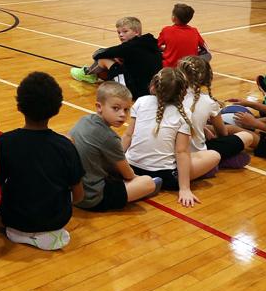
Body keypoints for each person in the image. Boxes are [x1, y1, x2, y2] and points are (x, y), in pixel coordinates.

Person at [0, 72, 83, 250]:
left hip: (14, 220)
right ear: (57, 107)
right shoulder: (65, 146)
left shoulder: (5, 142)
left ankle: (23, 233)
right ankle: (44, 234)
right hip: (55, 221)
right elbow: (79, 195)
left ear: (19, 106)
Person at [123, 68, 220, 206]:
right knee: (214, 156)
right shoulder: (184, 113)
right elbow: (181, 152)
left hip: (131, 167)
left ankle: (142, 182)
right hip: (166, 175)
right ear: (184, 93)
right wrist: (185, 189)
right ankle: (156, 182)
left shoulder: (141, 101)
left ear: (153, 86)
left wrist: (116, 165)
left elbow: (128, 135)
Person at [69, 83, 162, 212]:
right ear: (99, 107)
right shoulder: (109, 137)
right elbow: (129, 175)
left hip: (72, 192)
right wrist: (137, 179)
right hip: (92, 198)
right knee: (148, 182)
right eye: (116, 108)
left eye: (126, 109)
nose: (123, 115)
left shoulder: (83, 120)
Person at [177, 55, 256, 169]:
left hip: (170, 152)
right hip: (195, 154)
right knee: (247, 137)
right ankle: (219, 161)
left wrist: (203, 128)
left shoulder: (168, 95)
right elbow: (222, 134)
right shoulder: (209, 102)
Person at [70, 16, 163, 99]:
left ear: (136, 32)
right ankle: (92, 74)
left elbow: (98, 55)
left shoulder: (128, 47)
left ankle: (87, 73)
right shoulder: (149, 42)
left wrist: (115, 56)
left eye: (125, 31)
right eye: (119, 32)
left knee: (104, 60)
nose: (121, 35)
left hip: (135, 92)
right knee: (117, 62)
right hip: (153, 88)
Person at [157, 3, 208, 68]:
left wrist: (165, 49)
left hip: (170, 68)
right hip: (188, 68)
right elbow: (205, 49)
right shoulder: (194, 31)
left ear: (174, 18)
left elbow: (155, 46)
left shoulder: (166, 30)